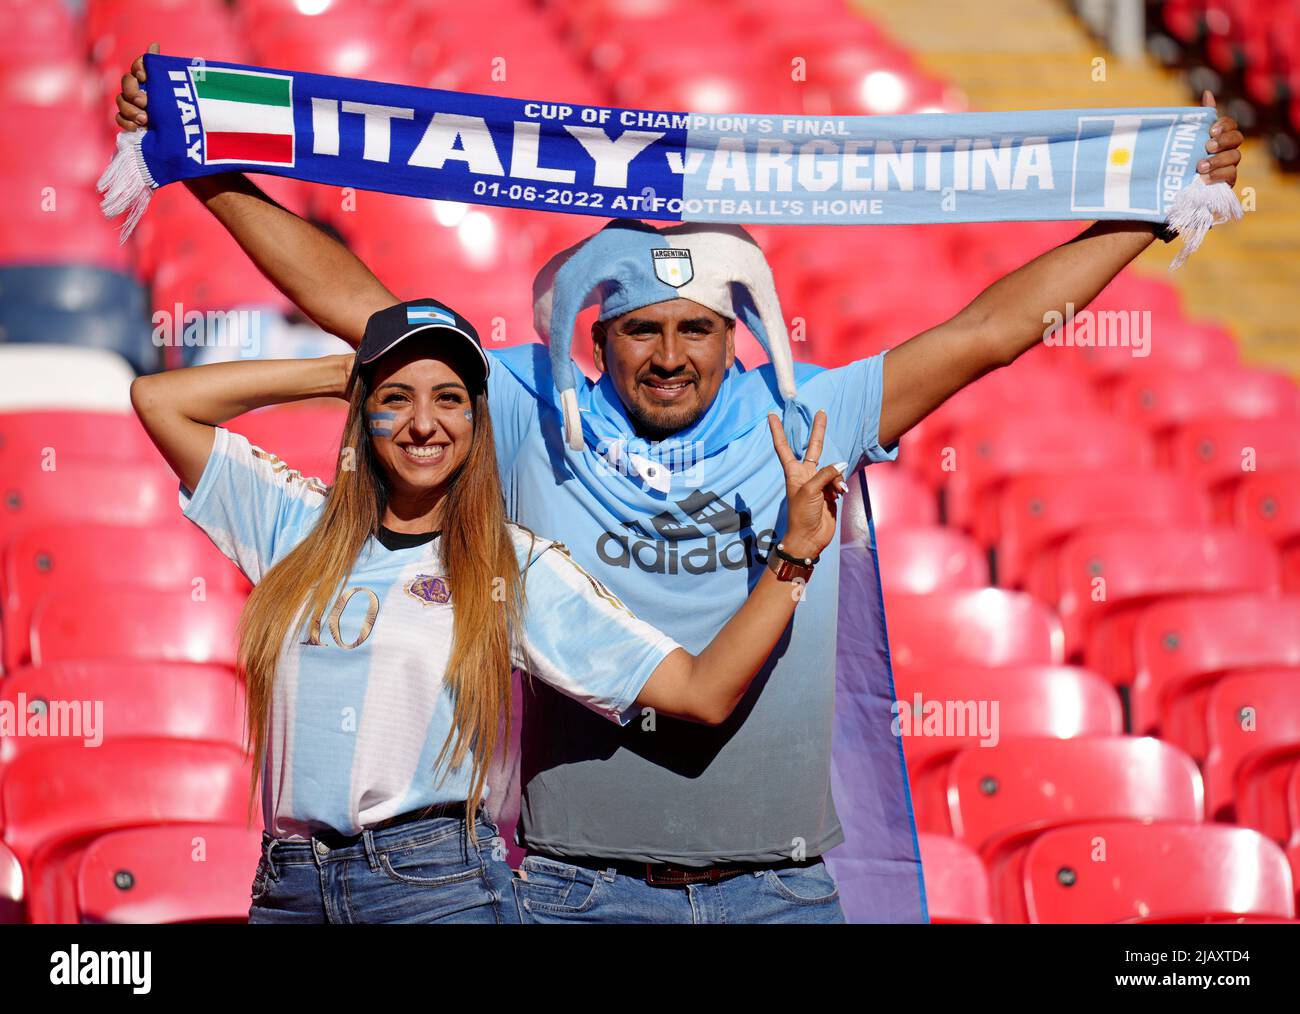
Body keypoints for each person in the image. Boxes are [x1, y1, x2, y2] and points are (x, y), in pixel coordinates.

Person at [116, 48, 1244, 923]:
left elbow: (991, 330)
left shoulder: (810, 419)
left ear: (738, 330)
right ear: (595, 337)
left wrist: (1148, 209)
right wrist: (199, 161)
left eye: (698, 330)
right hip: (573, 891)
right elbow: (361, 309)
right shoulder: (528, 408)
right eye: (642, 330)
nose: (670, 355)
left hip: (778, 889)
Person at [129, 296, 849, 924]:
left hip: (434, 888)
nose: (422, 422)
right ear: (364, 413)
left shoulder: (512, 566)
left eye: (448, 398)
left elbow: (701, 691)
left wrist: (795, 555)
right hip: (287, 885)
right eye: (395, 398)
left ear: (477, 421)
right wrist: (337, 375)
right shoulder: (292, 529)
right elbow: (159, 399)